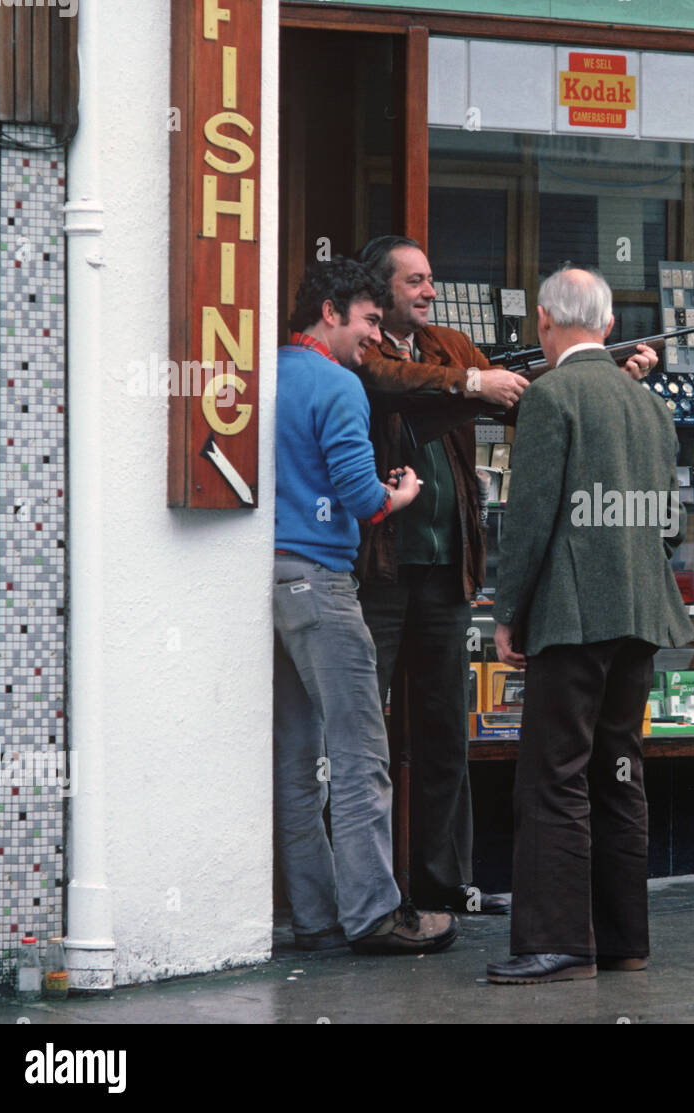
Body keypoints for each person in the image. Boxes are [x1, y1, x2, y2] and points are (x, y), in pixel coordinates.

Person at [352, 236, 659, 917]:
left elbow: (526, 399)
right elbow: (387, 381)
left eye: (431, 278)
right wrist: (470, 384)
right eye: (415, 280)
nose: (429, 291)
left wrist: (608, 372)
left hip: (445, 570)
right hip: (380, 568)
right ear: (379, 289)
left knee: (443, 735)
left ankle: (443, 883)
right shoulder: (363, 348)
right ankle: (365, 898)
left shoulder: (450, 345)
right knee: (364, 737)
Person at [485, 266, 694, 984]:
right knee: (618, 771)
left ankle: (559, 944)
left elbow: (529, 520)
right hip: (640, 612)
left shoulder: (551, 395)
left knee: (553, 776)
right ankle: (622, 940)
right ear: (606, 325)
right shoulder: (650, 404)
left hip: (571, 616)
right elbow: (669, 524)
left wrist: (507, 613)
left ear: (544, 321)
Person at [273, 256, 457, 955]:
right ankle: (376, 914)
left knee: (297, 760)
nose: (376, 337)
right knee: (359, 756)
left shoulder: (266, 372)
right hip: (322, 581)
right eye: (370, 321)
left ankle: (316, 918)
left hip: (273, 578)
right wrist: (400, 493)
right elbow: (362, 498)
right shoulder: (338, 384)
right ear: (330, 313)